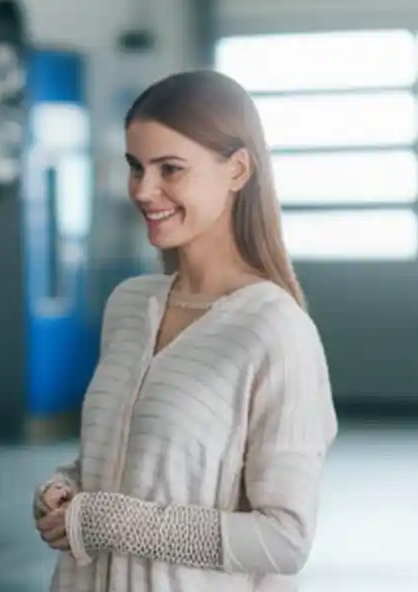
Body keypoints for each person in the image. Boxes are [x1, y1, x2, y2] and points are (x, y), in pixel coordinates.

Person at [32, 71, 338, 591]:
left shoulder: (276, 330)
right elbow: (124, 460)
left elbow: (285, 539)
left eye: (170, 169)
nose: (144, 191)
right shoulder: (129, 304)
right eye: (135, 167)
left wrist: (106, 520)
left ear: (238, 170)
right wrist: (67, 489)